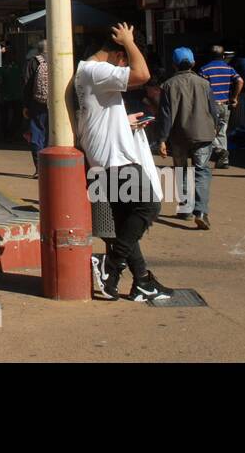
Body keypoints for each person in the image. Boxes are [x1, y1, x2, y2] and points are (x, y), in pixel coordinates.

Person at [75, 23, 171, 302]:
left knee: (124, 224)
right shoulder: (98, 70)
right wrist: (130, 42)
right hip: (114, 158)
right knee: (149, 206)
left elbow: (97, 112)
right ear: (120, 56)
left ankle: (141, 281)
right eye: (125, 58)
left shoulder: (86, 71)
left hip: (104, 157)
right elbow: (143, 74)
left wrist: (123, 121)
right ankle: (110, 266)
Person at [157, 48, 219, 231]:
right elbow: (213, 110)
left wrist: (162, 139)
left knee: (181, 170)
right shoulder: (204, 84)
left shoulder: (168, 85)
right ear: (193, 63)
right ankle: (201, 212)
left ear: (174, 65)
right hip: (203, 134)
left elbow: (166, 116)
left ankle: (185, 208)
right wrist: (214, 127)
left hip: (179, 137)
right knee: (201, 171)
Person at [200, 45, 243, 169]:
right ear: (223, 56)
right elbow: (240, 81)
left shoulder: (204, 69)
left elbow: (200, 88)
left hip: (210, 106)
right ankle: (224, 161)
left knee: (207, 131)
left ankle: (219, 150)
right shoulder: (229, 68)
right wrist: (234, 97)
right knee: (222, 132)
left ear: (209, 56)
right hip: (225, 105)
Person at [22, 40, 49, 176]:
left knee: (37, 134)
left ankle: (39, 168)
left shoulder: (32, 62)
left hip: (37, 103)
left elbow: (26, 84)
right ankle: (52, 167)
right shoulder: (60, 59)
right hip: (56, 105)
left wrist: (26, 105)